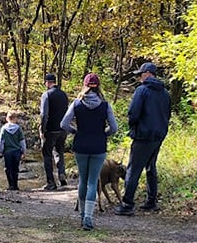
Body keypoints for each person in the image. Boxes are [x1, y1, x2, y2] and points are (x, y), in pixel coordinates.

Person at [60, 72, 118, 230]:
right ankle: (88, 217)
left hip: (81, 146)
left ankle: (81, 215)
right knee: (93, 182)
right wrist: (104, 133)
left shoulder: (77, 103)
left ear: (84, 86)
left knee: (83, 181)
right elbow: (114, 128)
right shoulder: (105, 105)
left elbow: (63, 124)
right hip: (98, 146)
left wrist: (75, 132)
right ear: (98, 86)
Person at [114, 62, 171, 215]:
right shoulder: (165, 93)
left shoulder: (142, 90)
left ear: (148, 73)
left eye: (140, 74)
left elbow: (133, 113)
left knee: (133, 169)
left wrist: (132, 125)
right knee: (151, 167)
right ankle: (151, 201)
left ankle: (127, 205)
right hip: (158, 136)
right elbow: (167, 114)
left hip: (143, 136)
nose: (139, 77)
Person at [39, 72, 69, 190]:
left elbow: (44, 114)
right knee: (59, 152)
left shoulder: (46, 95)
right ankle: (62, 174)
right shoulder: (63, 95)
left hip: (50, 129)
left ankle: (51, 182)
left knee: (47, 154)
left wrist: (42, 129)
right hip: (62, 129)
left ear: (47, 82)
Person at [0, 109, 27, 190]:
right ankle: (16, 185)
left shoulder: (3, 129)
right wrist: (24, 151)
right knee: (15, 168)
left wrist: (0, 151)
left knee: (8, 168)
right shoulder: (18, 128)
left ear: (7, 118)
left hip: (7, 152)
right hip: (17, 151)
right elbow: (22, 141)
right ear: (15, 119)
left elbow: (1, 142)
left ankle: (10, 185)